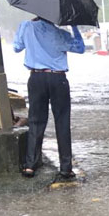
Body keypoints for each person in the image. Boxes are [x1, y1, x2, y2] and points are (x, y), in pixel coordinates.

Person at [13, 17, 85, 179]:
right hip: (58, 79)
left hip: (36, 78)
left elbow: (17, 47)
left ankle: (30, 165)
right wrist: (74, 26)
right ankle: (66, 168)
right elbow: (80, 48)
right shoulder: (60, 34)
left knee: (36, 122)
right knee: (62, 122)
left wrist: (25, 29)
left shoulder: (26, 26)